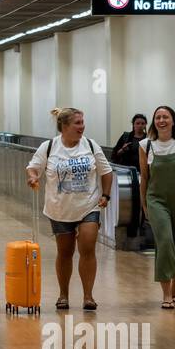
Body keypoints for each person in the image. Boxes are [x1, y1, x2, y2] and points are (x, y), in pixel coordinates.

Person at [25, 107, 113, 311]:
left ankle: (88, 296)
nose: (82, 127)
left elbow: (106, 172)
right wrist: (33, 177)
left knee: (88, 246)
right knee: (65, 252)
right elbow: (33, 167)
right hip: (59, 209)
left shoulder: (90, 145)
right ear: (64, 126)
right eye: (77, 123)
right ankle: (63, 294)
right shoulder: (49, 147)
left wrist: (105, 195)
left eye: (83, 122)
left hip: (88, 206)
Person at [139, 106, 175, 309]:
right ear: (153, 122)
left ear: (174, 121)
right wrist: (144, 203)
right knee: (164, 241)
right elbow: (144, 177)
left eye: (165, 117)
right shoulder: (145, 145)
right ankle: (166, 294)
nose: (161, 120)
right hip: (156, 201)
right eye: (158, 117)